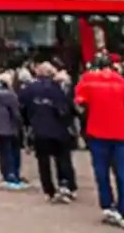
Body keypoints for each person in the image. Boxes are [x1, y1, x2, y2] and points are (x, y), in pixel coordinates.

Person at [75, 54, 124, 229]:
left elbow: (80, 103)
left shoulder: (87, 80)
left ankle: (107, 206)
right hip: (120, 133)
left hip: (97, 132)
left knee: (101, 173)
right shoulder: (120, 81)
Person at [21, 61, 78, 203]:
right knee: (63, 159)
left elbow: (22, 105)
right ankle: (66, 185)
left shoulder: (30, 88)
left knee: (43, 161)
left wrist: (29, 122)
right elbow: (68, 108)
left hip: (39, 129)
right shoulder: (58, 88)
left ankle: (49, 190)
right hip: (59, 129)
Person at [0, 71, 26, 189]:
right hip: (11, 127)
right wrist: (20, 124)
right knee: (14, 151)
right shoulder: (12, 96)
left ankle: (6, 174)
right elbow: (16, 113)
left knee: (3, 152)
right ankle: (14, 173)